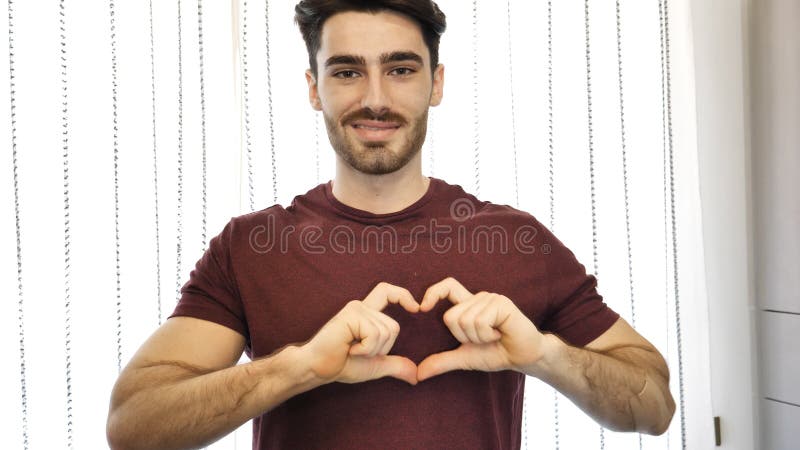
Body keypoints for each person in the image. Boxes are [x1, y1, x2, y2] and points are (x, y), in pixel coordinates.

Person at [106, 1, 675, 449]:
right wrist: (300, 367)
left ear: (436, 83)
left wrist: (544, 356)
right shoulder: (251, 247)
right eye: (347, 71)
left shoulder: (517, 241)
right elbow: (132, 423)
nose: (375, 99)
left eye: (400, 69)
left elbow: (655, 407)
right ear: (314, 88)